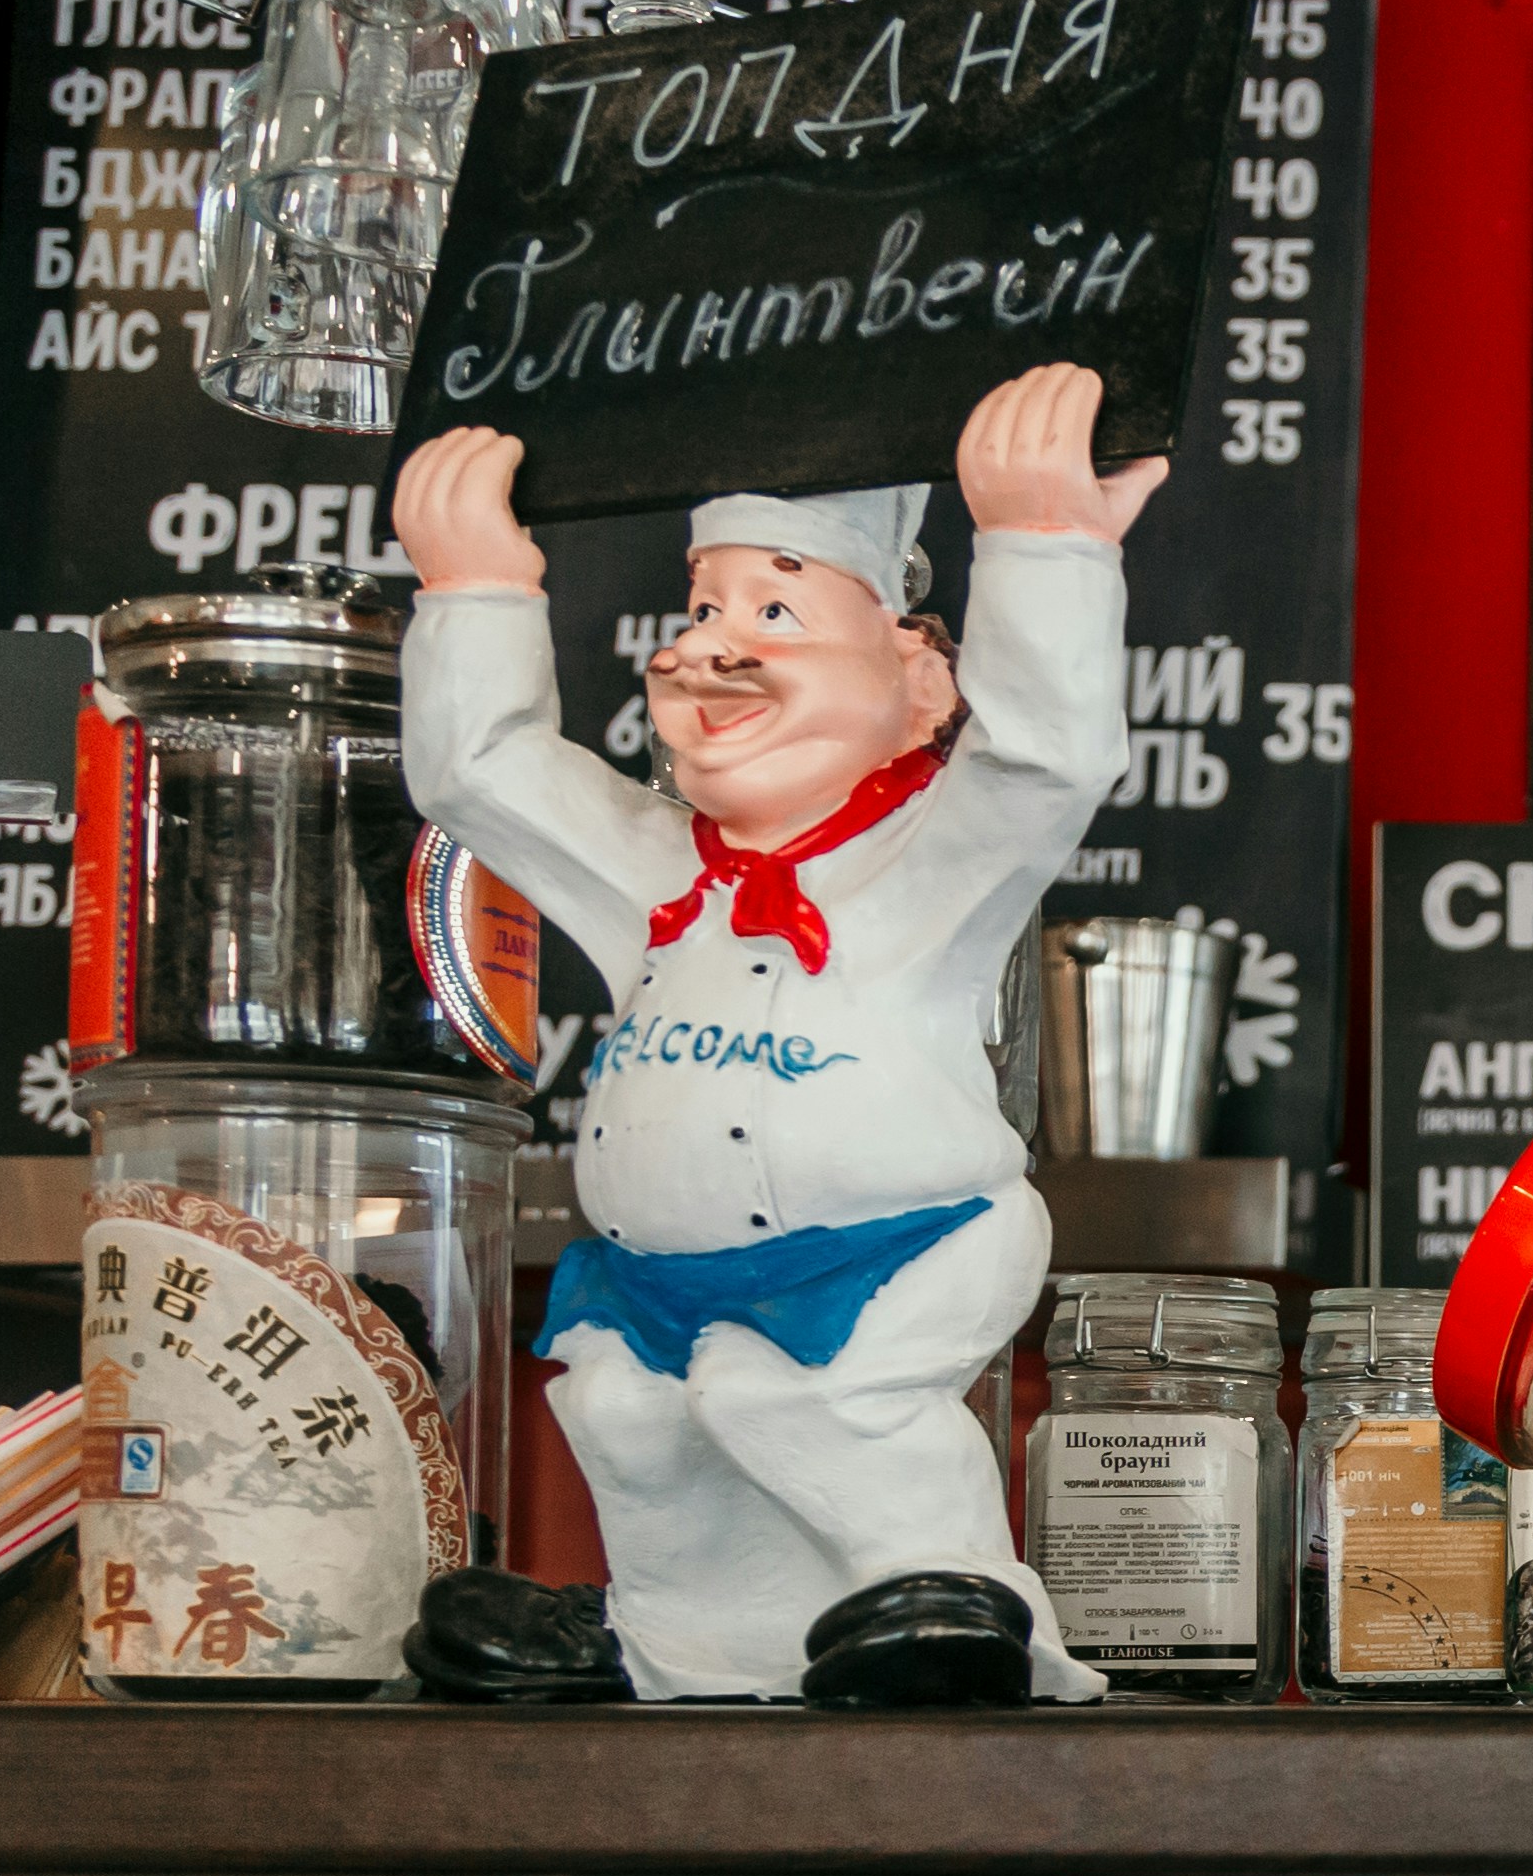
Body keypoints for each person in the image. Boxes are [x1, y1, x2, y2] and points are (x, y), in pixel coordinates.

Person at [386, 362, 1160, 1704]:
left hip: (897, 1247)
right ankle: (680, 1646)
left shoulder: (927, 861)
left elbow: (1047, 755)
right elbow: (479, 773)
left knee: (797, 1403)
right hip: (658, 1279)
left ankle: (967, 1616)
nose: (710, 647)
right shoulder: (651, 863)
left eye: (776, 609)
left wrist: (1043, 548)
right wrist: (474, 590)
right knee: (635, 1420)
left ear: (920, 681)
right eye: (700, 607)